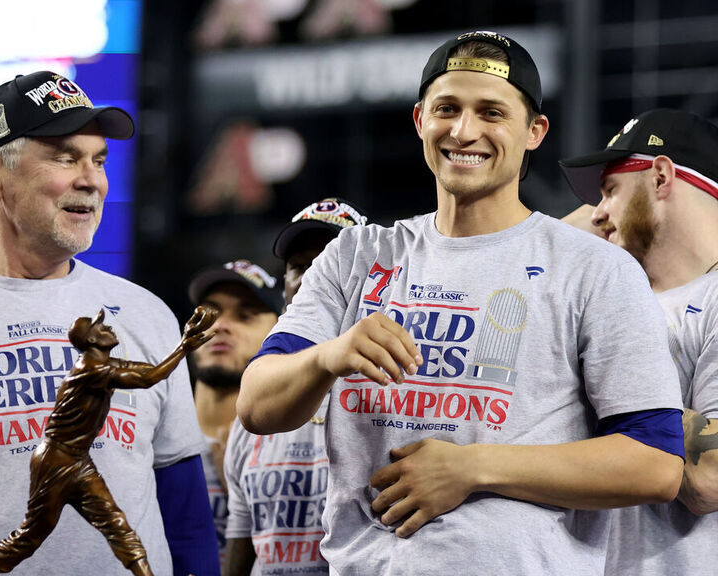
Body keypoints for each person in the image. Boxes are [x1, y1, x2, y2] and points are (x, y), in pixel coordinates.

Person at [237, 31, 686, 574]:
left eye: (491, 112)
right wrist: (327, 356)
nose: (464, 131)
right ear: (420, 121)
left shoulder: (594, 268)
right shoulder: (356, 254)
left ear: (534, 131)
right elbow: (257, 408)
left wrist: (473, 467)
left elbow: (655, 464)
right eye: (447, 109)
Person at [0, 71, 219, 576]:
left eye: (98, 160)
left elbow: (184, 508)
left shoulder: (144, 311)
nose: (91, 180)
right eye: (64, 156)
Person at [559, 108, 718, 575]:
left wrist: (616, 373)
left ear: (662, 176)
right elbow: (526, 249)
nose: (597, 214)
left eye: (609, 190)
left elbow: (709, 480)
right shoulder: (606, 304)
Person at [0, 306, 217, 576]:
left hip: (78, 459)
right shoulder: (91, 369)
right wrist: (183, 347)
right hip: (55, 460)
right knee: (31, 535)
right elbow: (149, 378)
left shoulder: (106, 364)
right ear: (92, 340)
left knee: (115, 524)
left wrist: (182, 344)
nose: (109, 328)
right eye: (100, 327)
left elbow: (151, 370)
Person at [223, 198, 367, 575]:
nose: (311, 277)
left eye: (328, 262)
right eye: (299, 266)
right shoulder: (256, 405)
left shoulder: (396, 393)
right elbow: (244, 537)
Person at [187, 260, 282, 572]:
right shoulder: (149, 433)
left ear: (279, 330)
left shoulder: (292, 443)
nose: (220, 326)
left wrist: (241, 492)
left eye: (245, 315)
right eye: (211, 311)